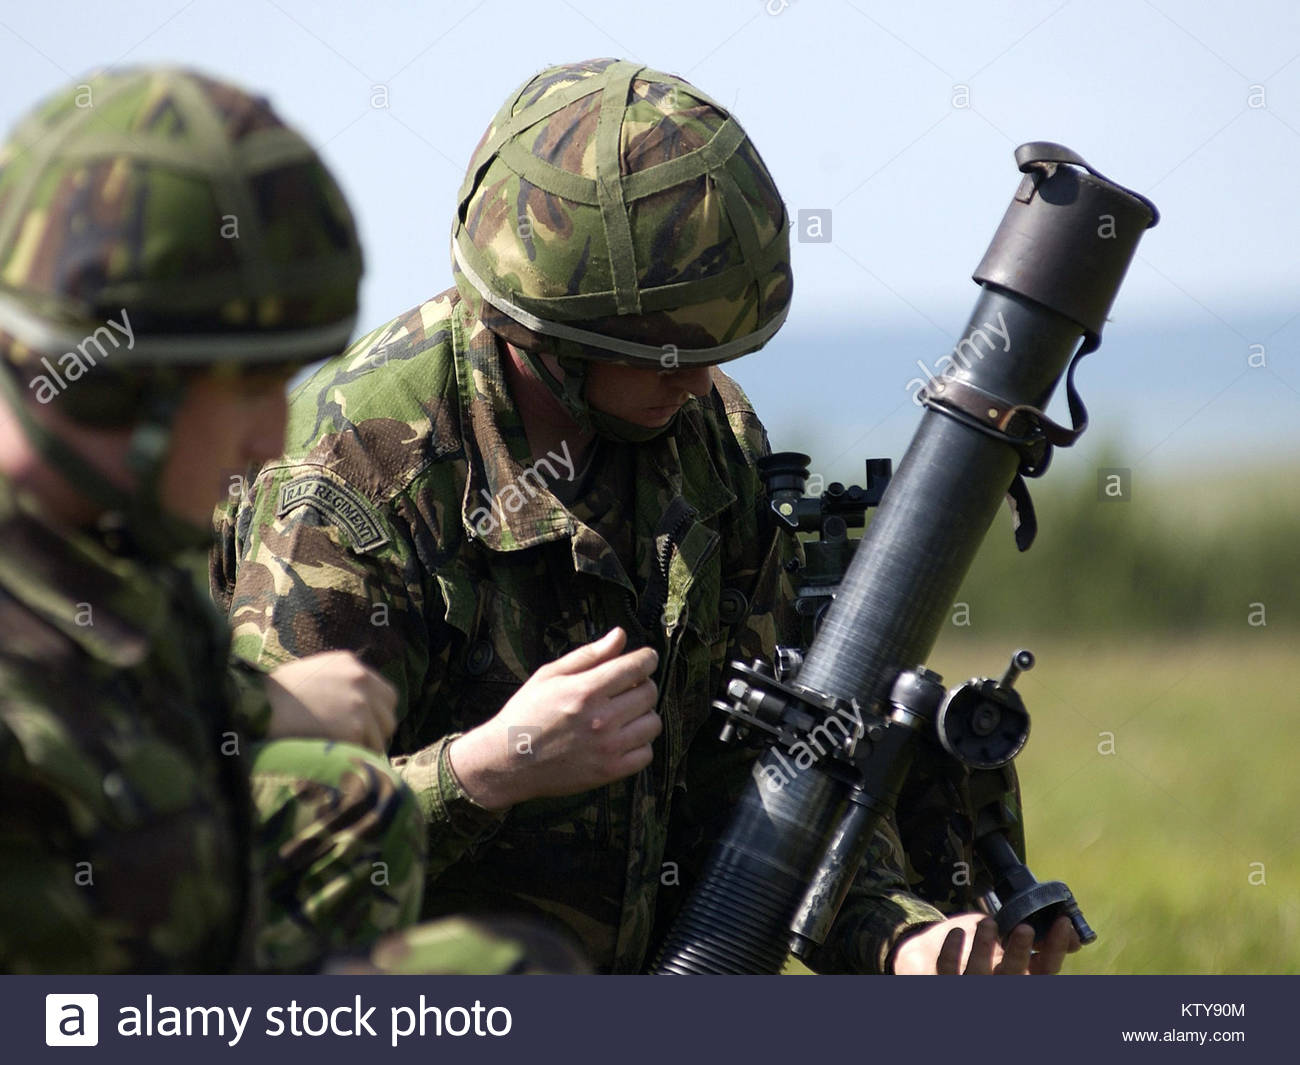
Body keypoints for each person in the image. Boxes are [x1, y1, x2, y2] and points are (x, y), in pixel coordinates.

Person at [214, 57, 1077, 975]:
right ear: (549, 336)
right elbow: (260, 845)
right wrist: (489, 768)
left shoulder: (706, 440)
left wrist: (901, 935)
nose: (698, 384)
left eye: (713, 352)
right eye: (663, 356)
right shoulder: (357, 478)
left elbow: (757, 777)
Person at [0, 66, 574, 975]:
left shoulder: (112, 549)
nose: (273, 438)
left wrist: (267, 705)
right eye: (247, 387)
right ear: (118, 384)